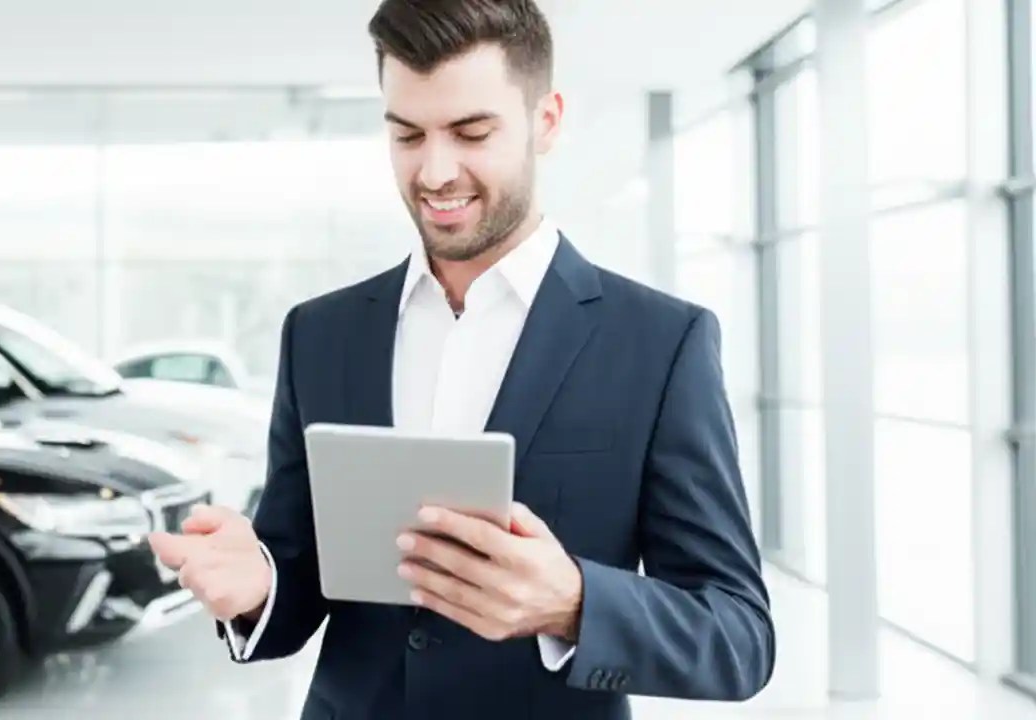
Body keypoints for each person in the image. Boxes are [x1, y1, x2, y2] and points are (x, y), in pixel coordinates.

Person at [147, 1, 775, 717]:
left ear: (547, 122)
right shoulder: (319, 334)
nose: (435, 171)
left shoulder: (662, 344)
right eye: (407, 134)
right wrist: (257, 584)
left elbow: (737, 636)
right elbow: (300, 574)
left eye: (470, 132)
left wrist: (573, 604)